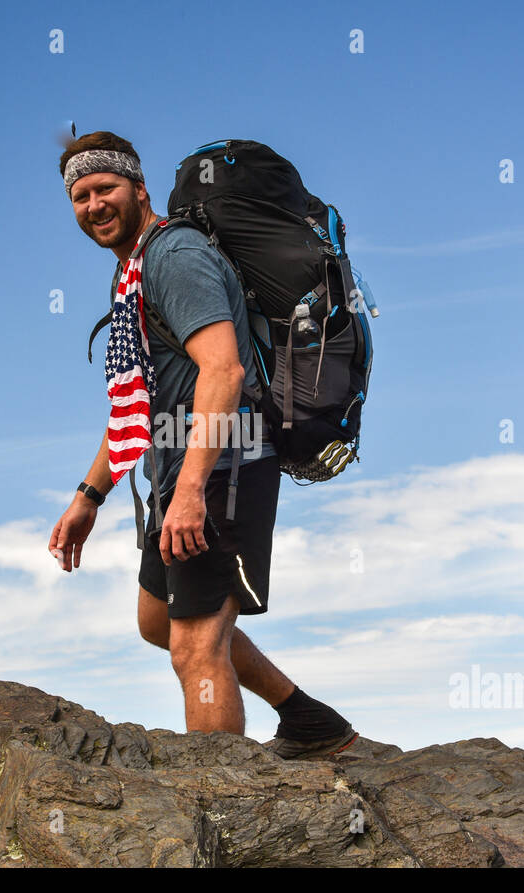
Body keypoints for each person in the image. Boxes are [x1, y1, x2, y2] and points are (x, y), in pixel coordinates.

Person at [47, 131, 357, 760]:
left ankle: (219, 802)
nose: (93, 205)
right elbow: (139, 402)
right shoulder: (131, 273)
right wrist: (89, 495)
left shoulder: (175, 256)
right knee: (160, 623)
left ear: (138, 189)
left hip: (222, 467)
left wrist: (190, 491)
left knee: (196, 647)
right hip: (179, 466)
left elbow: (224, 371)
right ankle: (310, 720)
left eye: (104, 188)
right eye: (79, 196)